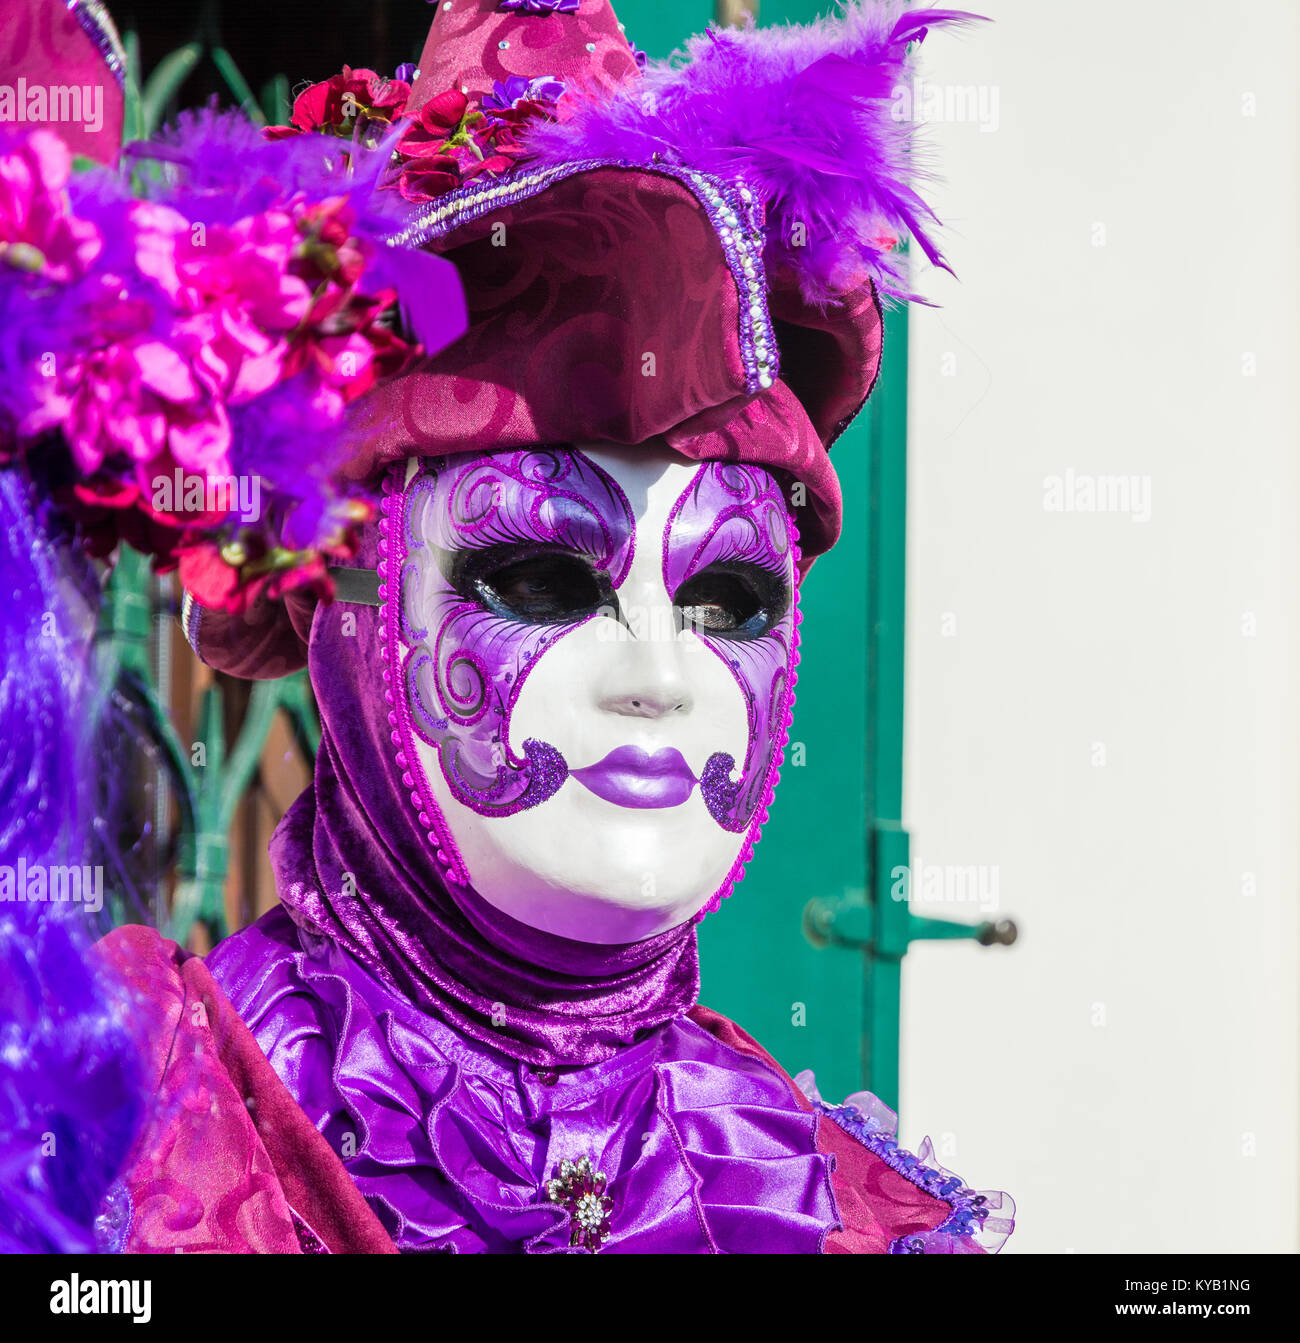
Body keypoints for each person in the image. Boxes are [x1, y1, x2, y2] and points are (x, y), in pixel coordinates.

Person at [1, 0, 1014, 1253]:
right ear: (347, 619)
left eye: (727, 598)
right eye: (538, 577)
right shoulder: (113, 1150)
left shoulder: (835, 1205)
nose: (656, 674)